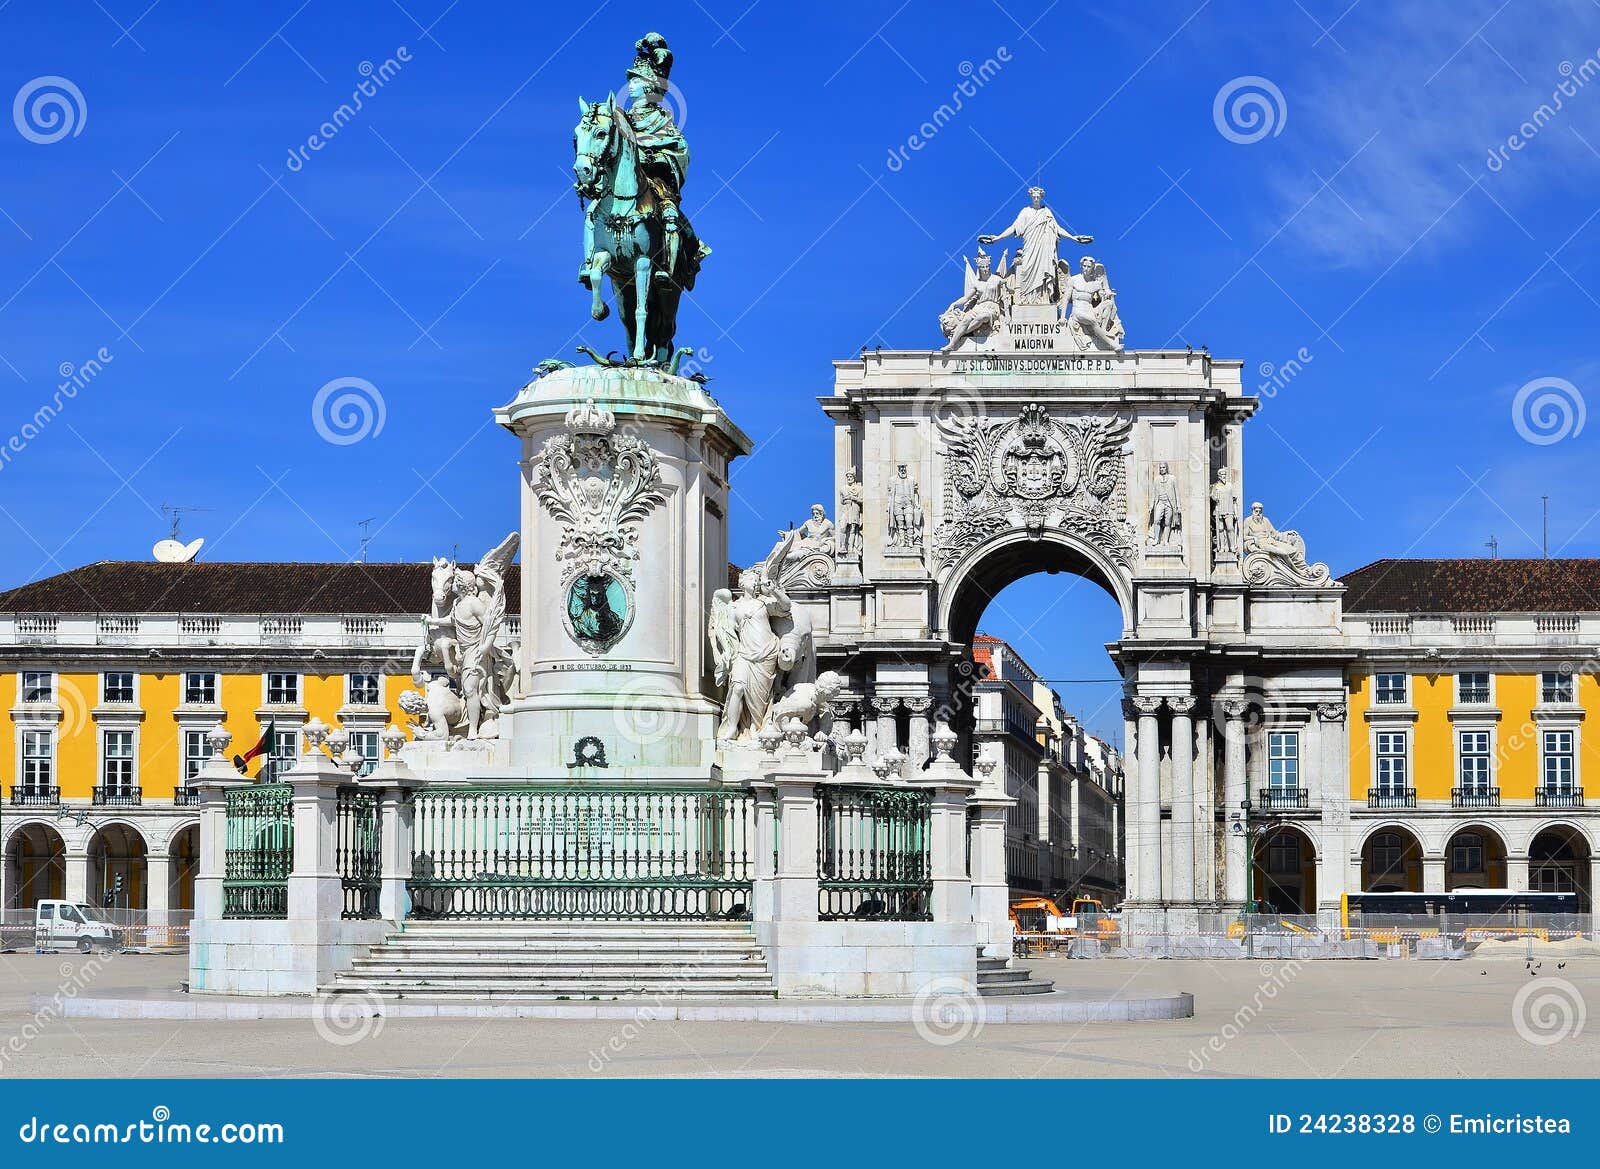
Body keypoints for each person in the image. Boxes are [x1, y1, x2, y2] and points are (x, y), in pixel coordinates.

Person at [979, 187, 1093, 303]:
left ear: (1041, 197)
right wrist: (997, 238)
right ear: (1031, 197)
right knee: (1027, 270)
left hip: (1044, 248)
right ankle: (1026, 299)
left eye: (1038, 197)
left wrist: (1074, 238)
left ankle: (1043, 299)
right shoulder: (1025, 212)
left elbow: (1057, 229)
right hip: (1030, 247)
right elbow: (1014, 227)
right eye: (1034, 197)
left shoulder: (1047, 212)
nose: (1036, 199)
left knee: (1044, 271)